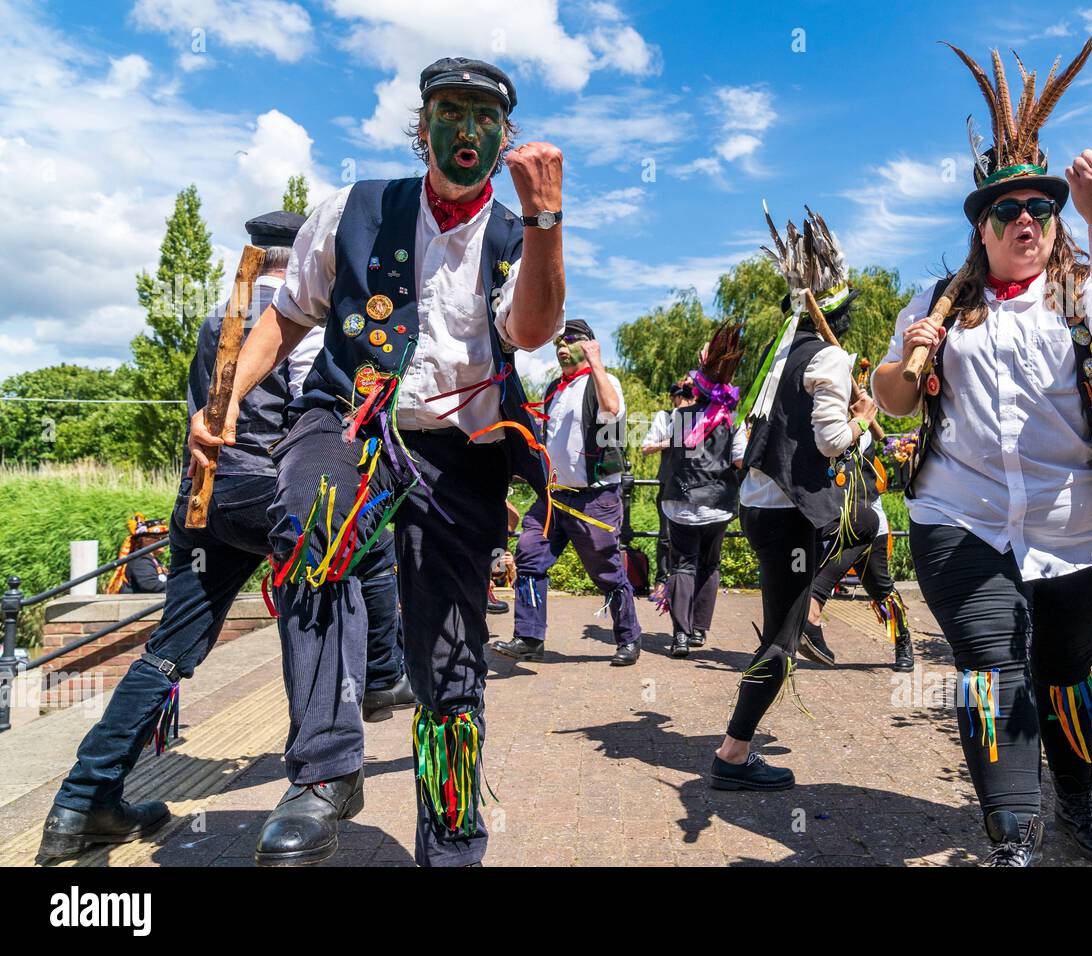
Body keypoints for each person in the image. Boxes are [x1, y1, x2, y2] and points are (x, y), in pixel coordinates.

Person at [189, 57, 566, 868]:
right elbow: (288, 317)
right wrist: (222, 400)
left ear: (504, 137)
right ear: (423, 126)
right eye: (450, 110)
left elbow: (533, 332)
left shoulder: (514, 233)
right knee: (311, 526)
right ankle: (326, 771)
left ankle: (452, 848)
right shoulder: (354, 208)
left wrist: (545, 221)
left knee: (451, 670)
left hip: (460, 452)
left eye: (485, 116)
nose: (467, 128)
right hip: (349, 421)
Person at [872, 20, 1092, 866]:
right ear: (984, 226)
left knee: (1065, 671)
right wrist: (910, 357)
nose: (1027, 218)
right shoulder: (938, 301)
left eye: (1042, 206)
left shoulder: (1079, 289)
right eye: (1009, 208)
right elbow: (891, 402)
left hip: (1081, 526)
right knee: (990, 667)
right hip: (960, 517)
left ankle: (1077, 802)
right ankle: (1012, 837)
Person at [39, 211, 411, 862]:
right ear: (303, 260)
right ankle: (374, 689)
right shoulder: (303, 322)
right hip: (270, 490)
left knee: (169, 651)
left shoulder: (222, 317)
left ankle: (82, 801)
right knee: (357, 540)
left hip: (205, 499)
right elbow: (321, 423)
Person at [708, 209, 879, 792]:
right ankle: (733, 754)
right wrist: (863, 419)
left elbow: (746, 440)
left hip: (762, 507)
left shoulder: (780, 354)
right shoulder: (828, 357)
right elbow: (832, 441)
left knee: (861, 528)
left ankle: (815, 603)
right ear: (841, 312)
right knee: (781, 644)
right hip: (789, 516)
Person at [491, 320, 643, 665]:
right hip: (553, 496)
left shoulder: (603, 381)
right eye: (558, 341)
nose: (561, 347)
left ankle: (629, 637)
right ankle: (529, 638)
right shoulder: (554, 389)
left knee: (606, 571)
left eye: (570, 340)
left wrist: (596, 362)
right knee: (529, 555)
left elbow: (612, 411)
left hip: (594, 498)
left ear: (588, 345)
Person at [659, 324, 745, 658]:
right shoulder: (732, 420)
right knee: (709, 564)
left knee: (683, 565)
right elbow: (739, 460)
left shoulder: (680, 417)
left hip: (681, 501)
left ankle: (680, 636)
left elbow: (678, 455)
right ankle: (698, 630)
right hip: (717, 503)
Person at [801, 459, 914, 673]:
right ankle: (784, 646)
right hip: (832, 519)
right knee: (804, 577)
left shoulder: (859, 440)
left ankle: (903, 639)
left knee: (879, 588)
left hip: (866, 526)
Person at [643, 377, 697, 604]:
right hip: (669, 482)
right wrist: (673, 441)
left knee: (695, 535)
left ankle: (688, 584)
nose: (683, 400)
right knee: (666, 535)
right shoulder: (665, 417)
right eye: (680, 396)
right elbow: (646, 447)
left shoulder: (703, 416)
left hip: (696, 483)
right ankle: (662, 582)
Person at [106, 515, 169, 594]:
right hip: (137, 602)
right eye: (160, 538)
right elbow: (151, 585)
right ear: (145, 539)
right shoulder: (141, 560)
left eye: (165, 538)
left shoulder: (150, 558)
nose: (164, 542)